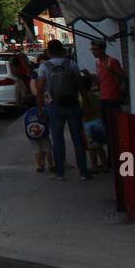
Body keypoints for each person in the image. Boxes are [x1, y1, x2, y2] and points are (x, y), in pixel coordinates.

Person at [34, 39, 89, 181]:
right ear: (62, 50)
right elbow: (80, 85)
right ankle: (83, 172)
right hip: (73, 104)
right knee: (77, 139)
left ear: (48, 51)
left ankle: (60, 173)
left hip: (54, 107)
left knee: (57, 140)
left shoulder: (44, 67)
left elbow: (39, 90)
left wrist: (40, 109)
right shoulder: (71, 64)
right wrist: (86, 103)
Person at [91, 39, 127, 171]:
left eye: (95, 49)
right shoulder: (98, 63)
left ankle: (114, 159)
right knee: (107, 131)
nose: (93, 52)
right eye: (92, 50)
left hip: (113, 99)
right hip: (103, 98)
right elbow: (102, 80)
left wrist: (111, 70)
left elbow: (123, 78)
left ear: (102, 49)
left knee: (114, 131)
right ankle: (110, 159)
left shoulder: (112, 61)